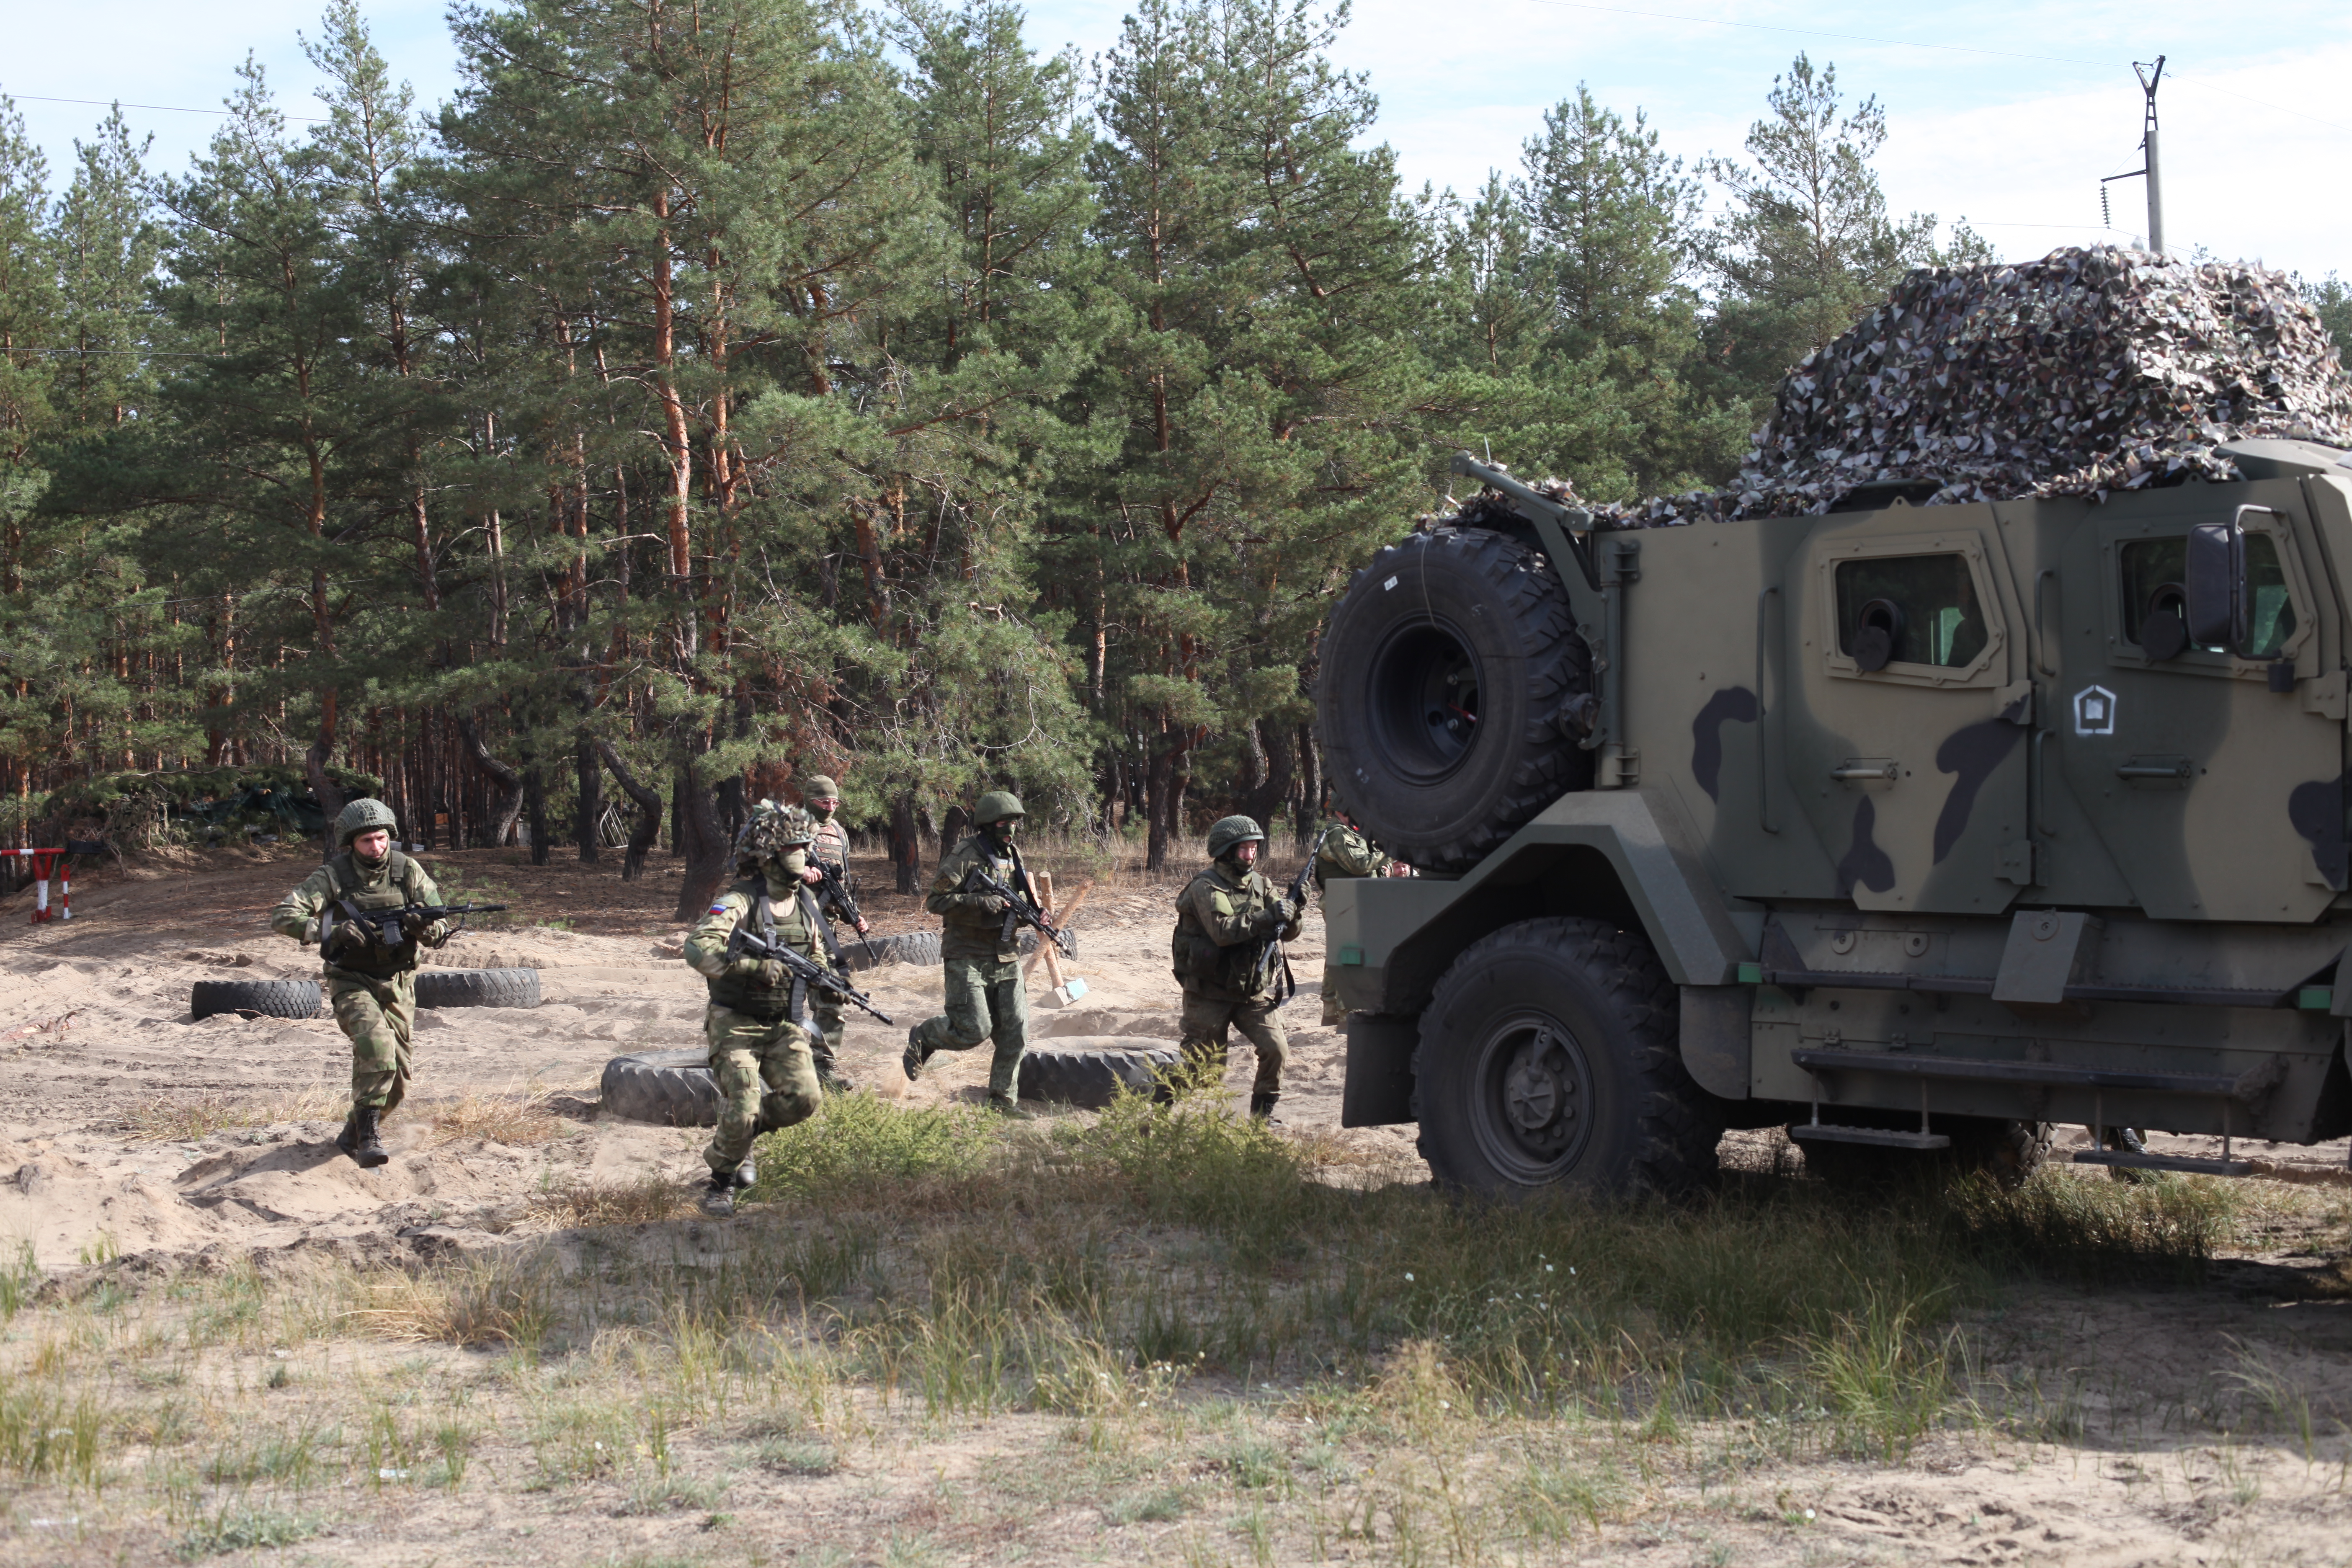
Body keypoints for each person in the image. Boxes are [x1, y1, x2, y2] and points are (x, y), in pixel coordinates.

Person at [268, 799, 450, 1168]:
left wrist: (426, 928)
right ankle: (369, 1138)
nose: (376, 847)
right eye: (367, 840)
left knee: (398, 1080)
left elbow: (440, 926)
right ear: (351, 843)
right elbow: (284, 916)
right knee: (376, 1045)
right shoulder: (333, 876)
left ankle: (353, 1133)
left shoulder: (407, 870)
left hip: (398, 982)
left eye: (382, 839)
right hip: (352, 980)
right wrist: (332, 932)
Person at [680, 801, 830, 1217]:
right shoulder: (738, 902)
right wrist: (752, 967)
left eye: (806, 845)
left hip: (784, 1025)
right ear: (769, 855)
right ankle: (720, 1183)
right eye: (795, 847)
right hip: (735, 1025)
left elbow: (817, 956)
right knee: (744, 1103)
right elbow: (697, 950)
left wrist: (825, 983)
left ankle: (740, 1138)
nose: (804, 854)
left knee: (805, 1099)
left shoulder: (807, 904)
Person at [903, 790, 1034, 1112]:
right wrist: (978, 902)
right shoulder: (964, 855)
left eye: (1015, 823)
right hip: (967, 955)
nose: (1011, 829)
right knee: (974, 1030)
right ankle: (924, 1036)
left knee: (1015, 1032)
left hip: (1006, 955)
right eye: (1005, 822)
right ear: (988, 824)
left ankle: (1002, 1101)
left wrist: (1033, 914)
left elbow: (1019, 900)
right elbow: (935, 901)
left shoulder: (1012, 855)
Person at [1171, 815, 1302, 1120]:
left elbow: (1288, 933)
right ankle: (1149, 1111)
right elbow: (1223, 932)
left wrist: (1293, 912)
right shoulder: (1205, 886)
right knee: (1201, 1071)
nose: (1250, 855)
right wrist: (1266, 918)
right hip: (1209, 992)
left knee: (1276, 1048)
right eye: (1243, 849)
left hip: (1250, 990)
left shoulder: (1261, 884)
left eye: (1254, 848)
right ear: (1226, 851)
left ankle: (1261, 1117)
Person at [797, 773, 868, 1089]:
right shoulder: (790, 824)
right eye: (823, 801)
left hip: (825, 928)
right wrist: (798, 870)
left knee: (833, 993)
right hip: (790, 926)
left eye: (835, 802)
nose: (830, 807)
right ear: (809, 799)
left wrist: (854, 915)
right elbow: (758, 863)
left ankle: (821, 1069)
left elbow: (840, 880)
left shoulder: (838, 832)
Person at [1311, 810, 1408, 1027]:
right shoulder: (1337, 833)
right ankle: (1346, 1017)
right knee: (1350, 958)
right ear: (1340, 810)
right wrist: (1391, 852)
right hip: (1344, 903)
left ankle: (1330, 1012)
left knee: (1339, 956)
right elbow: (1359, 864)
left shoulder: (1353, 832)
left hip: (1352, 902)